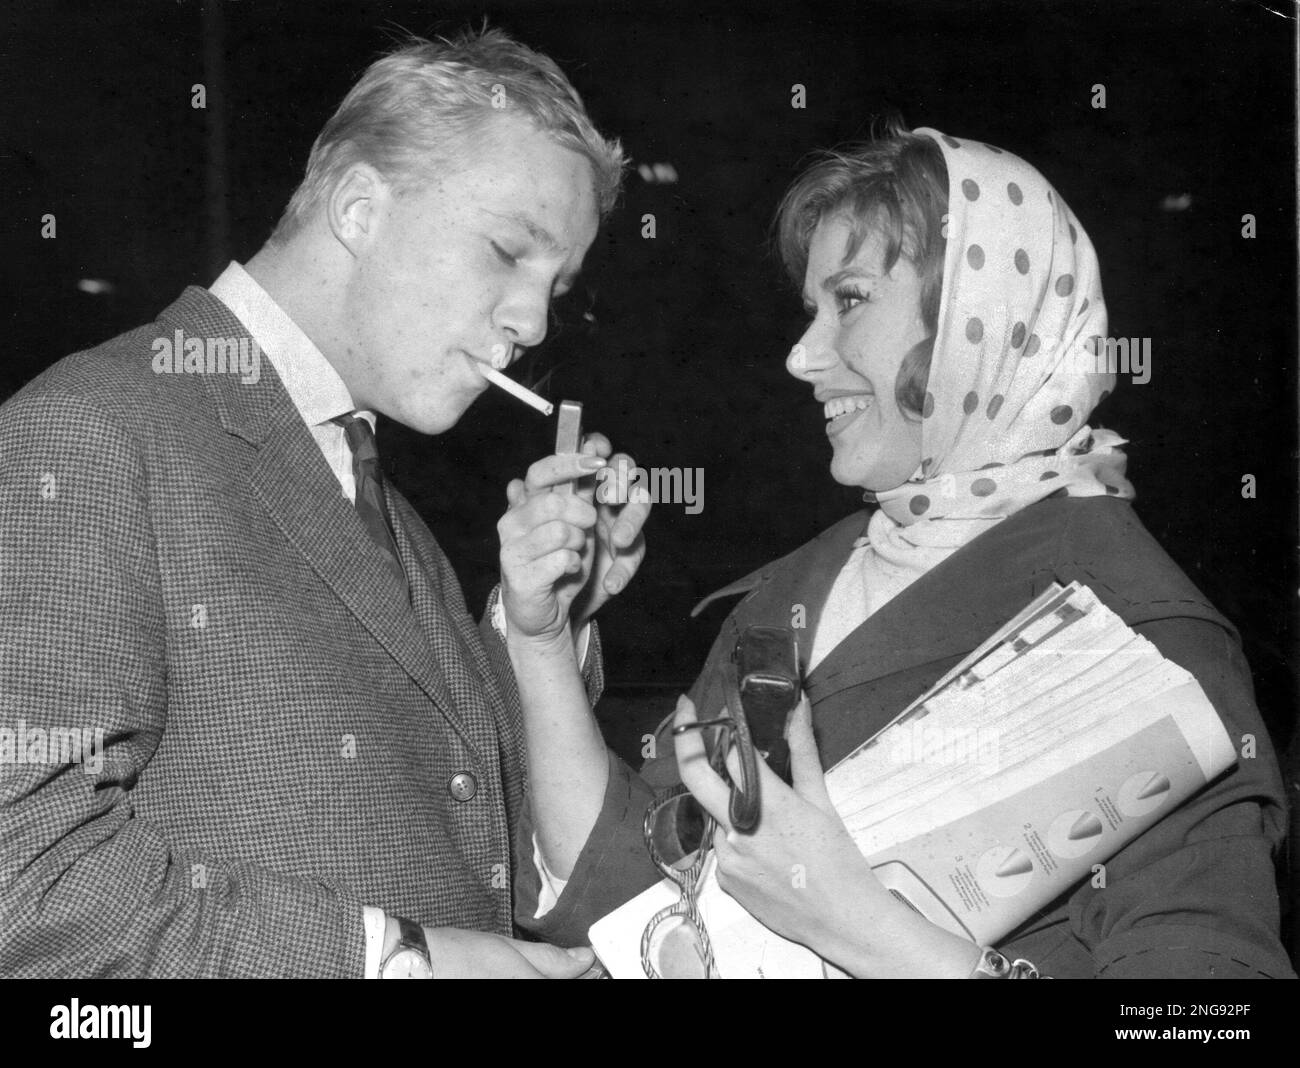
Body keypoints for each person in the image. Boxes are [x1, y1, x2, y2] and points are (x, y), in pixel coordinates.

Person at [501, 120, 1295, 978]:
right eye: (813, 310)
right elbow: (634, 905)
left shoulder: (1141, 631)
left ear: (981, 320)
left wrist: (858, 925)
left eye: (850, 300)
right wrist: (542, 634)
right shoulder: (811, 581)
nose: (803, 357)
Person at [0, 28, 651, 978]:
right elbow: (24, 879)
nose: (535, 320)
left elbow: (476, 837)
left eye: (557, 285)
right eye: (510, 251)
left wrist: (539, 625)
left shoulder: (390, 511)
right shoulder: (90, 429)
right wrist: (397, 962)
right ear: (358, 207)